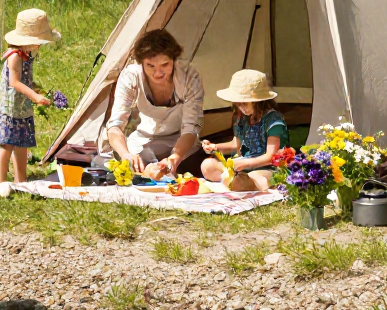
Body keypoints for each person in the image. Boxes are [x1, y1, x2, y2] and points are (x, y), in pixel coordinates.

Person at [106, 29, 205, 179]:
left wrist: (175, 158)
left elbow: (191, 127)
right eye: (150, 66)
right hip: (144, 141)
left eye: (165, 65)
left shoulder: (188, 76)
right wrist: (126, 155)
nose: (158, 73)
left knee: (199, 168)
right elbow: (115, 126)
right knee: (135, 166)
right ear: (141, 63)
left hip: (181, 142)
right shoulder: (132, 76)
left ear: (173, 60)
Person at [0, 9, 60, 184]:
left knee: (22, 145)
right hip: (10, 108)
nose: (39, 46)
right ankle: (1, 182)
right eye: (37, 42)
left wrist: (37, 90)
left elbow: (25, 80)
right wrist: (35, 97)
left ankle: (20, 181)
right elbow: (14, 82)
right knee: (7, 145)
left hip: (22, 108)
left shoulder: (27, 54)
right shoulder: (14, 56)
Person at [201, 69, 288, 191]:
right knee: (207, 165)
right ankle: (238, 183)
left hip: (267, 167)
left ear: (259, 101)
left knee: (256, 178)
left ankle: (239, 183)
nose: (241, 108)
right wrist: (215, 147)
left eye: (244, 104)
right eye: (238, 104)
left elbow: (271, 157)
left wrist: (246, 164)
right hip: (243, 166)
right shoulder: (241, 118)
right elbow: (236, 145)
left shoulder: (273, 120)